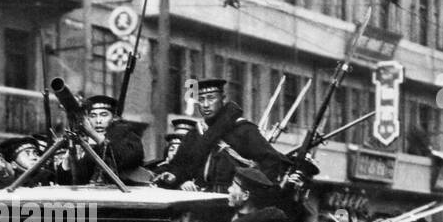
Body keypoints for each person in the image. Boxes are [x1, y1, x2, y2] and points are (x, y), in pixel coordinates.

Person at [154, 78, 287, 191]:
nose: (205, 105)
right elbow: (179, 166)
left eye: (211, 98)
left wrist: (249, 190)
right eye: (201, 100)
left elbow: (271, 162)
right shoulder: (194, 135)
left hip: (234, 201)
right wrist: (177, 179)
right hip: (200, 201)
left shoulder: (244, 130)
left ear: (222, 98)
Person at [59, 93, 145, 184]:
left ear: (114, 118)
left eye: (104, 115)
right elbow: (73, 182)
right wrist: (69, 158)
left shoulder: (128, 135)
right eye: (93, 116)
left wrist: (92, 133)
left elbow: (122, 158)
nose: (98, 121)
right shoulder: (94, 150)